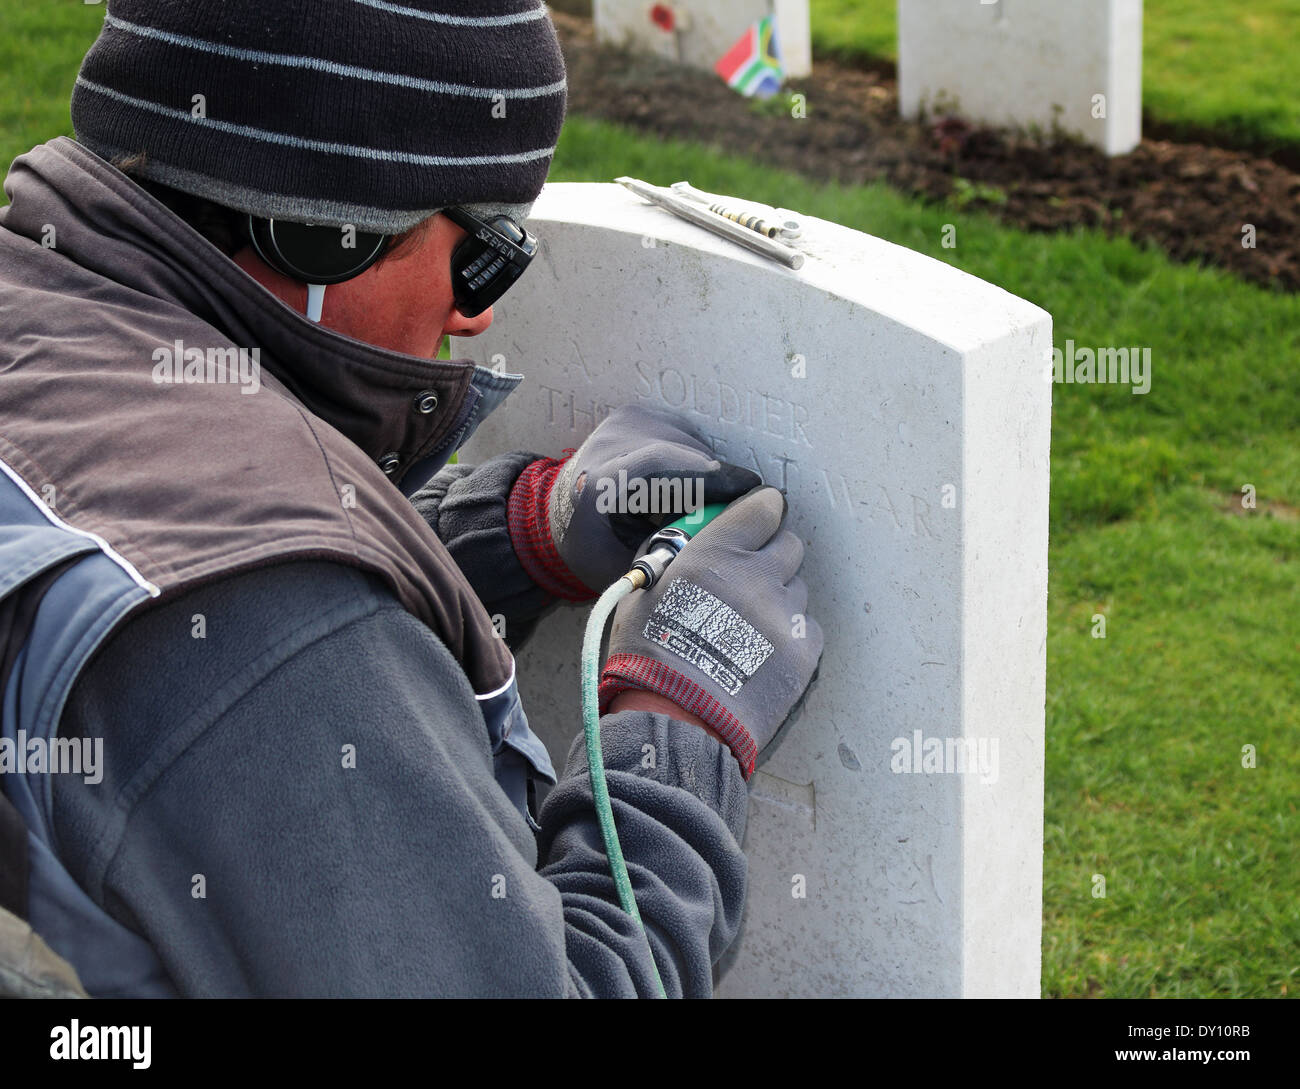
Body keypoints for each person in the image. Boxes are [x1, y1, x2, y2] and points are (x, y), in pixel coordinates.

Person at [0, 0, 823, 997]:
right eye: (485, 250)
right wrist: (675, 722)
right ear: (324, 240)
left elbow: (139, 531)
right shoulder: (264, 639)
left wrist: (504, 540)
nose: (476, 314)